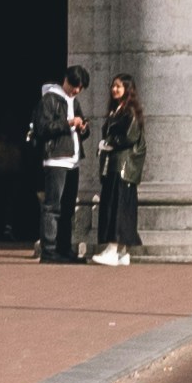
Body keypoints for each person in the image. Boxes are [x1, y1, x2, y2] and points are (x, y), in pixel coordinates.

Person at [31, 64, 90, 264]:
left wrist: (83, 127)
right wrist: (68, 123)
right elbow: (42, 128)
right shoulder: (49, 99)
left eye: (80, 88)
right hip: (56, 157)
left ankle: (65, 248)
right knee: (52, 206)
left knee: (67, 208)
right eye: (75, 86)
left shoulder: (73, 100)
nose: (76, 91)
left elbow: (83, 127)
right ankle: (49, 250)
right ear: (66, 79)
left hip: (72, 158)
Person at [92, 72, 147, 262]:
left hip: (122, 164)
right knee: (122, 205)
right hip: (116, 163)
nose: (114, 89)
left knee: (117, 205)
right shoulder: (117, 110)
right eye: (113, 86)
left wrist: (110, 142)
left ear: (127, 89)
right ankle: (123, 251)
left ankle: (113, 248)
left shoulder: (129, 112)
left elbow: (130, 137)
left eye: (119, 86)